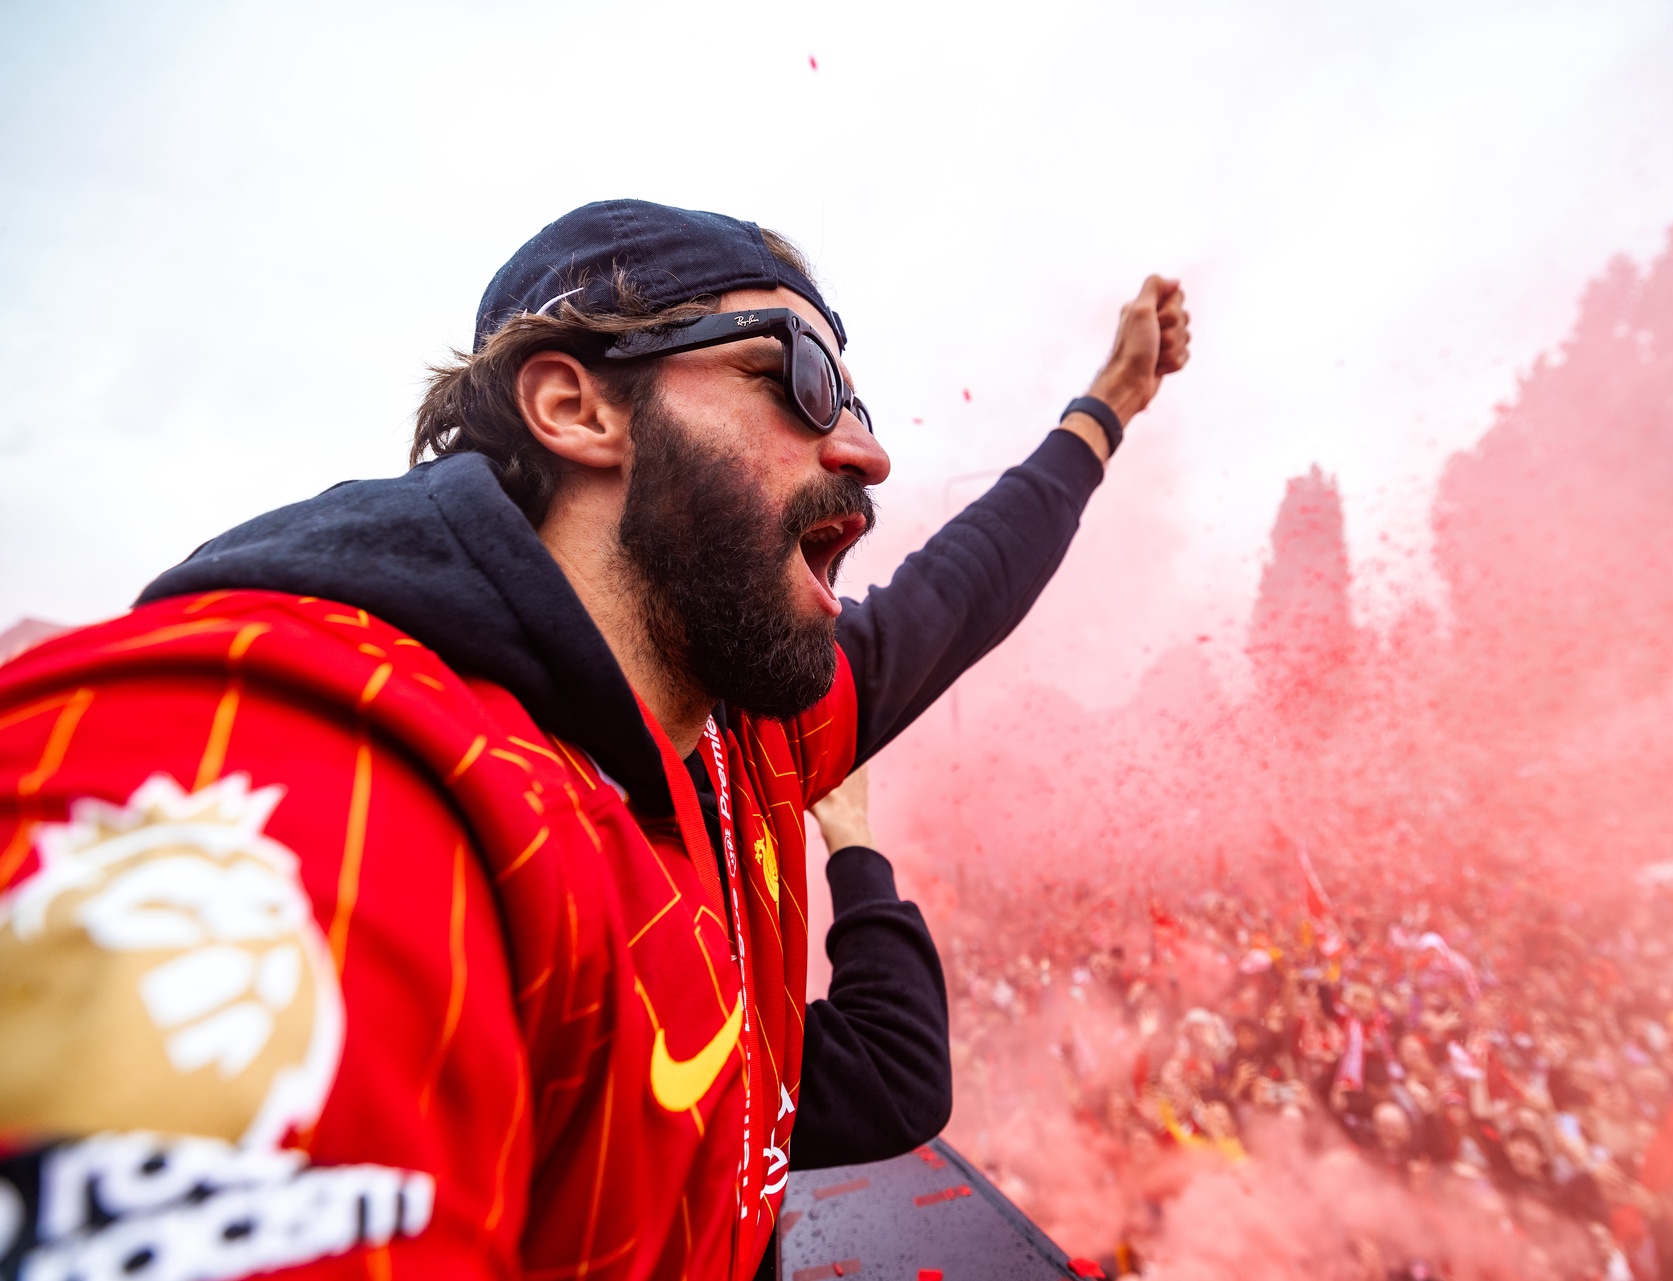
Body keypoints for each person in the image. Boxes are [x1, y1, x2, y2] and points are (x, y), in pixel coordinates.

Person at [0, 199, 1190, 1280]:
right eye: (802, 376)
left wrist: (1109, 405)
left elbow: (957, 594)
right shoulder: (307, 766)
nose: (867, 454)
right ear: (577, 408)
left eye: (857, 406)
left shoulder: (743, 734)